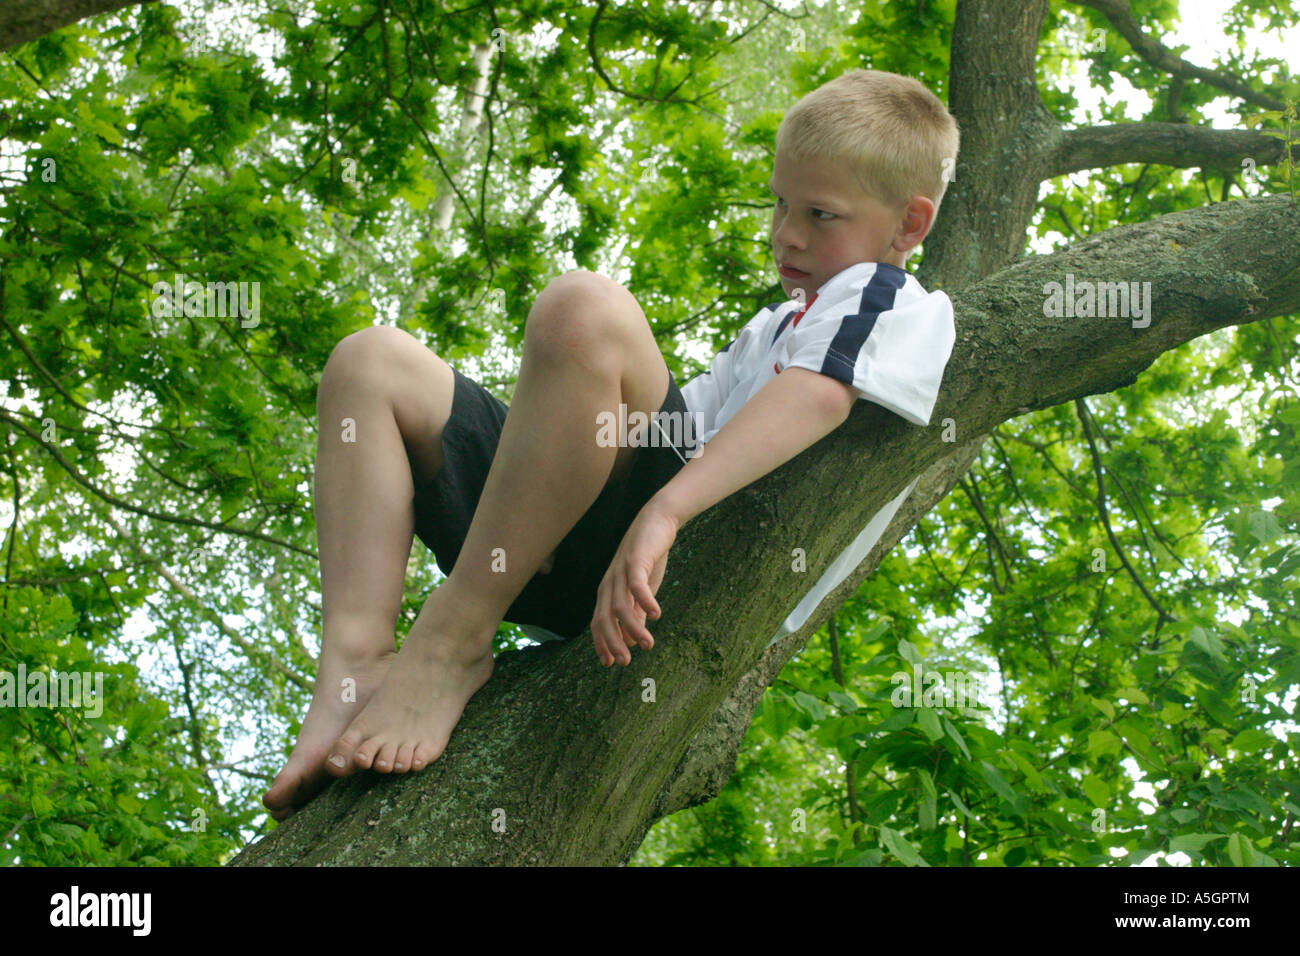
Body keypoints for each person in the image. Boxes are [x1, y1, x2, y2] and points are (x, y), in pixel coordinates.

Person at [262, 68, 960, 821]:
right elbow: (670, 424)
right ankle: (356, 665)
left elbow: (821, 394)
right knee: (368, 362)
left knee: (585, 307)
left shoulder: (890, 302)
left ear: (908, 225)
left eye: (821, 214)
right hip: (579, 554)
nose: (785, 232)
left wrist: (663, 513)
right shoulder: (774, 325)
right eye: (780, 202)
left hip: (672, 578)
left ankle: (450, 640)